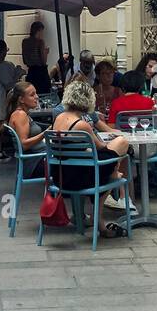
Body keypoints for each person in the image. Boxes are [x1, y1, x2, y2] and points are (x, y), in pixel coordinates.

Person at [49, 79, 133, 236]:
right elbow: (100, 147)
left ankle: (99, 221)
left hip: (61, 174)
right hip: (81, 177)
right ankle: (99, 221)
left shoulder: (59, 118)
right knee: (121, 144)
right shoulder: (82, 125)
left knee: (109, 170)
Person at [6, 80, 46, 158]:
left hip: (40, 155)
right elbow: (24, 145)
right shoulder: (20, 115)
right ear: (21, 100)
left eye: (36, 93)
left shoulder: (23, 114)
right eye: (32, 95)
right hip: (34, 160)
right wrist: (46, 133)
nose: (37, 97)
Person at [21, 22, 50, 93]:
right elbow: (43, 61)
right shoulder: (40, 42)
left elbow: (24, 60)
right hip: (40, 73)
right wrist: (46, 52)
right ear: (39, 30)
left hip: (31, 72)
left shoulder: (25, 42)